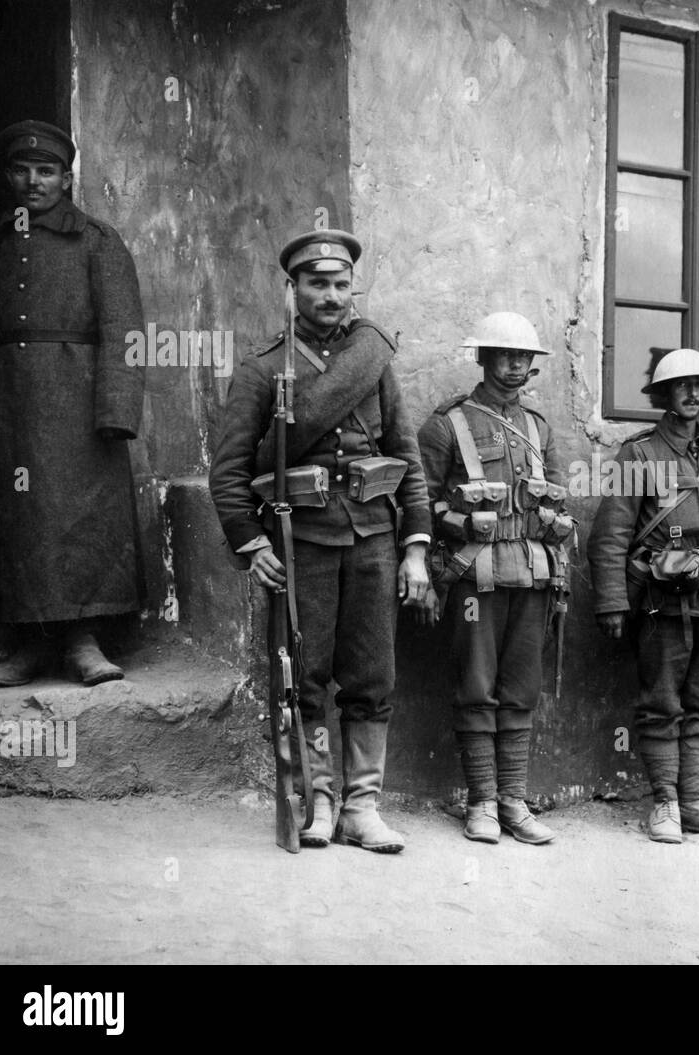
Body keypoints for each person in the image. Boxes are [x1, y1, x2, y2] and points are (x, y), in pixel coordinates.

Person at [209, 228, 432, 852]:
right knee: (303, 677)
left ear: (351, 289)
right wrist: (253, 546)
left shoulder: (374, 362)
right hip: (298, 538)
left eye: (340, 285)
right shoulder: (262, 370)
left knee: (372, 674)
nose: (330, 296)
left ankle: (364, 805)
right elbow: (227, 472)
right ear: (294, 289)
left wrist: (415, 547)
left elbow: (406, 459)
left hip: (372, 539)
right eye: (317, 284)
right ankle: (321, 798)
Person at [0, 120, 144, 686]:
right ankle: (30, 644)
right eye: (21, 170)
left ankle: (83, 641)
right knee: (22, 523)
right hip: (12, 404)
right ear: (7, 177)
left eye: (45, 171)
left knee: (81, 519)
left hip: (78, 403)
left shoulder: (97, 239)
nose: (32, 181)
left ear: (65, 179)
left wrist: (116, 410)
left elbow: (124, 330)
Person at [416, 312, 573, 845]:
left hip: (531, 575)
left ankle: (513, 801)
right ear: (482, 358)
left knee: (520, 690)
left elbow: (555, 500)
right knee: (476, 687)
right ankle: (481, 802)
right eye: (504, 356)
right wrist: (459, 521)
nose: (514, 366)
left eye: (523, 358)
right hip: (473, 576)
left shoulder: (540, 428)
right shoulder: (446, 425)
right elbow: (418, 504)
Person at [587, 348, 699, 843]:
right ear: (662, 394)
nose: (693, 393)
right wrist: (613, 603)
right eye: (682, 386)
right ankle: (665, 804)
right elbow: (610, 536)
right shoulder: (639, 454)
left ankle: (697, 802)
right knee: (662, 702)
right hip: (661, 599)